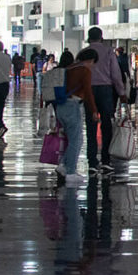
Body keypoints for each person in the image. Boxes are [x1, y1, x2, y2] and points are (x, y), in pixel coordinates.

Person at [86, 28, 127, 171]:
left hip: (88, 91)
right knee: (106, 125)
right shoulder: (109, 51)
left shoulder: (83, 53)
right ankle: (105, 159)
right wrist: (121, 93)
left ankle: (91, 162)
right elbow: (115, 74)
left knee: (90, 126)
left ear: (88, 38)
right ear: (101, 37)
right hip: (105, 90)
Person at [56, 49, 98, 186]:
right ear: (91, 60)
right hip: (72, 106)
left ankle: (63, 166)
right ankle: (70, 172)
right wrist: (93, 110)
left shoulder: (68, 68)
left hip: (60, 106)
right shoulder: (84, 70)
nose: (92, 66)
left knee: (71, 139)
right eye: (93, 63)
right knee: (77, 140)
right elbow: (88, 91)